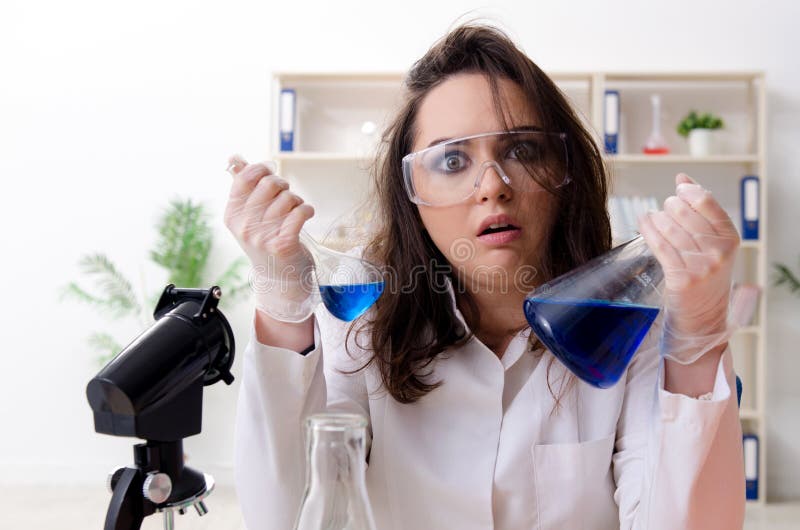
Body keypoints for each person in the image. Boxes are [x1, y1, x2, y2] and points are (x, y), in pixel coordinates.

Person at [224, 23, 745, 530]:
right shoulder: (363, 317)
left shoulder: (629, 328)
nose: (493, 186)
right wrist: (283, 303)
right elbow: (286, 516)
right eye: (453, 160)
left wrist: (697, 339)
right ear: (411, 195)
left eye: (522, 150)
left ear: (564, 176)